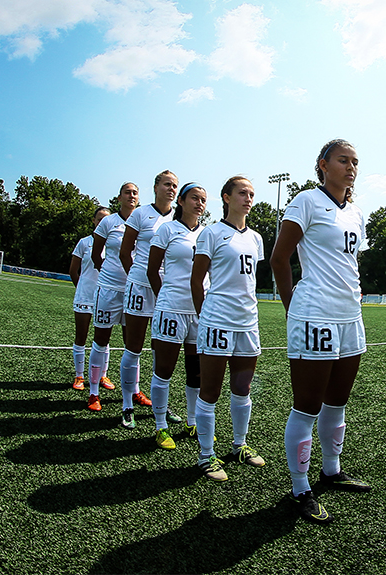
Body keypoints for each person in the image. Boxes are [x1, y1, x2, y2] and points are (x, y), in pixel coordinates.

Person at [270, 139, 371, 525]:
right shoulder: (306, 201)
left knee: (338, 402)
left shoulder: (356, 212)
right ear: (323, 165)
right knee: (307, 406)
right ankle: (300, 487)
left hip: (350, 317)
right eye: (343, 160)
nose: (351, 168)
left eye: (355, 162)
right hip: (314, 315)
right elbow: (279, 258)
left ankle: (331, 470)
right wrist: (291, 307)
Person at [191, 176, 266, 482]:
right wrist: (206, 316)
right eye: (242, 193)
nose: (248, 199)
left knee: (242, 388)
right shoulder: (211, 233)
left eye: (251, 194)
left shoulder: (256, 238)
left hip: (248, 322)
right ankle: (206, 455)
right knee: (210, 391)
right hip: (217, 321)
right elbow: (196, 281)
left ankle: (239, 445)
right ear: (226, 197)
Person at [146, 182, 207, 449]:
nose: (199, 203)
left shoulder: (208, 233)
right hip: (171, 308)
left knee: (196, 372)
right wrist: (165, 299)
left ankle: (192, 422)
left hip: (199, 312)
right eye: (194, 198)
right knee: (164, 370)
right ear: (181, 201)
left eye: (203, 199)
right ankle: (160, 426)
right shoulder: (167, 230)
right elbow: (152, 270)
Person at [119, 170, 179, 430]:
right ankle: (127, 404)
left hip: (167, 289)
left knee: (160, 349)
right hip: (141, 287)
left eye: (174, 185)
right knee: (133, 347)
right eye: (166, 184)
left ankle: (160, 405)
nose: (171, 189)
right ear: (155, 187)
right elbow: (125, 252)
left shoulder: (178, 217)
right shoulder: (140, 214)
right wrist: (137, 278)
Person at [89, 183, 140, 412]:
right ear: (119, 197)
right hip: (109, 289)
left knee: (133, 344)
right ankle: (93, 392)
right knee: (101, 340)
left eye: (135, 193)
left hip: (133, 290)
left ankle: (134, 390)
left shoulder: (142, 221)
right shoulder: (108, 222)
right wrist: (108, 275)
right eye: (127, 192)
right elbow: (96, 254)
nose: (131, 196)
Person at [69, 206, 111, 391]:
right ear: (93, 221)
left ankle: (102, 375)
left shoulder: (113, 244)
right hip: (85, 296)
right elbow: (73, 271)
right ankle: (79, 375)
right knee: (81, 336)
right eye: (99, 219)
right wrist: (82, 290)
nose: (102, 222)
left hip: (105, 296)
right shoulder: (84, 242)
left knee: (103, 339)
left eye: (106, 220)